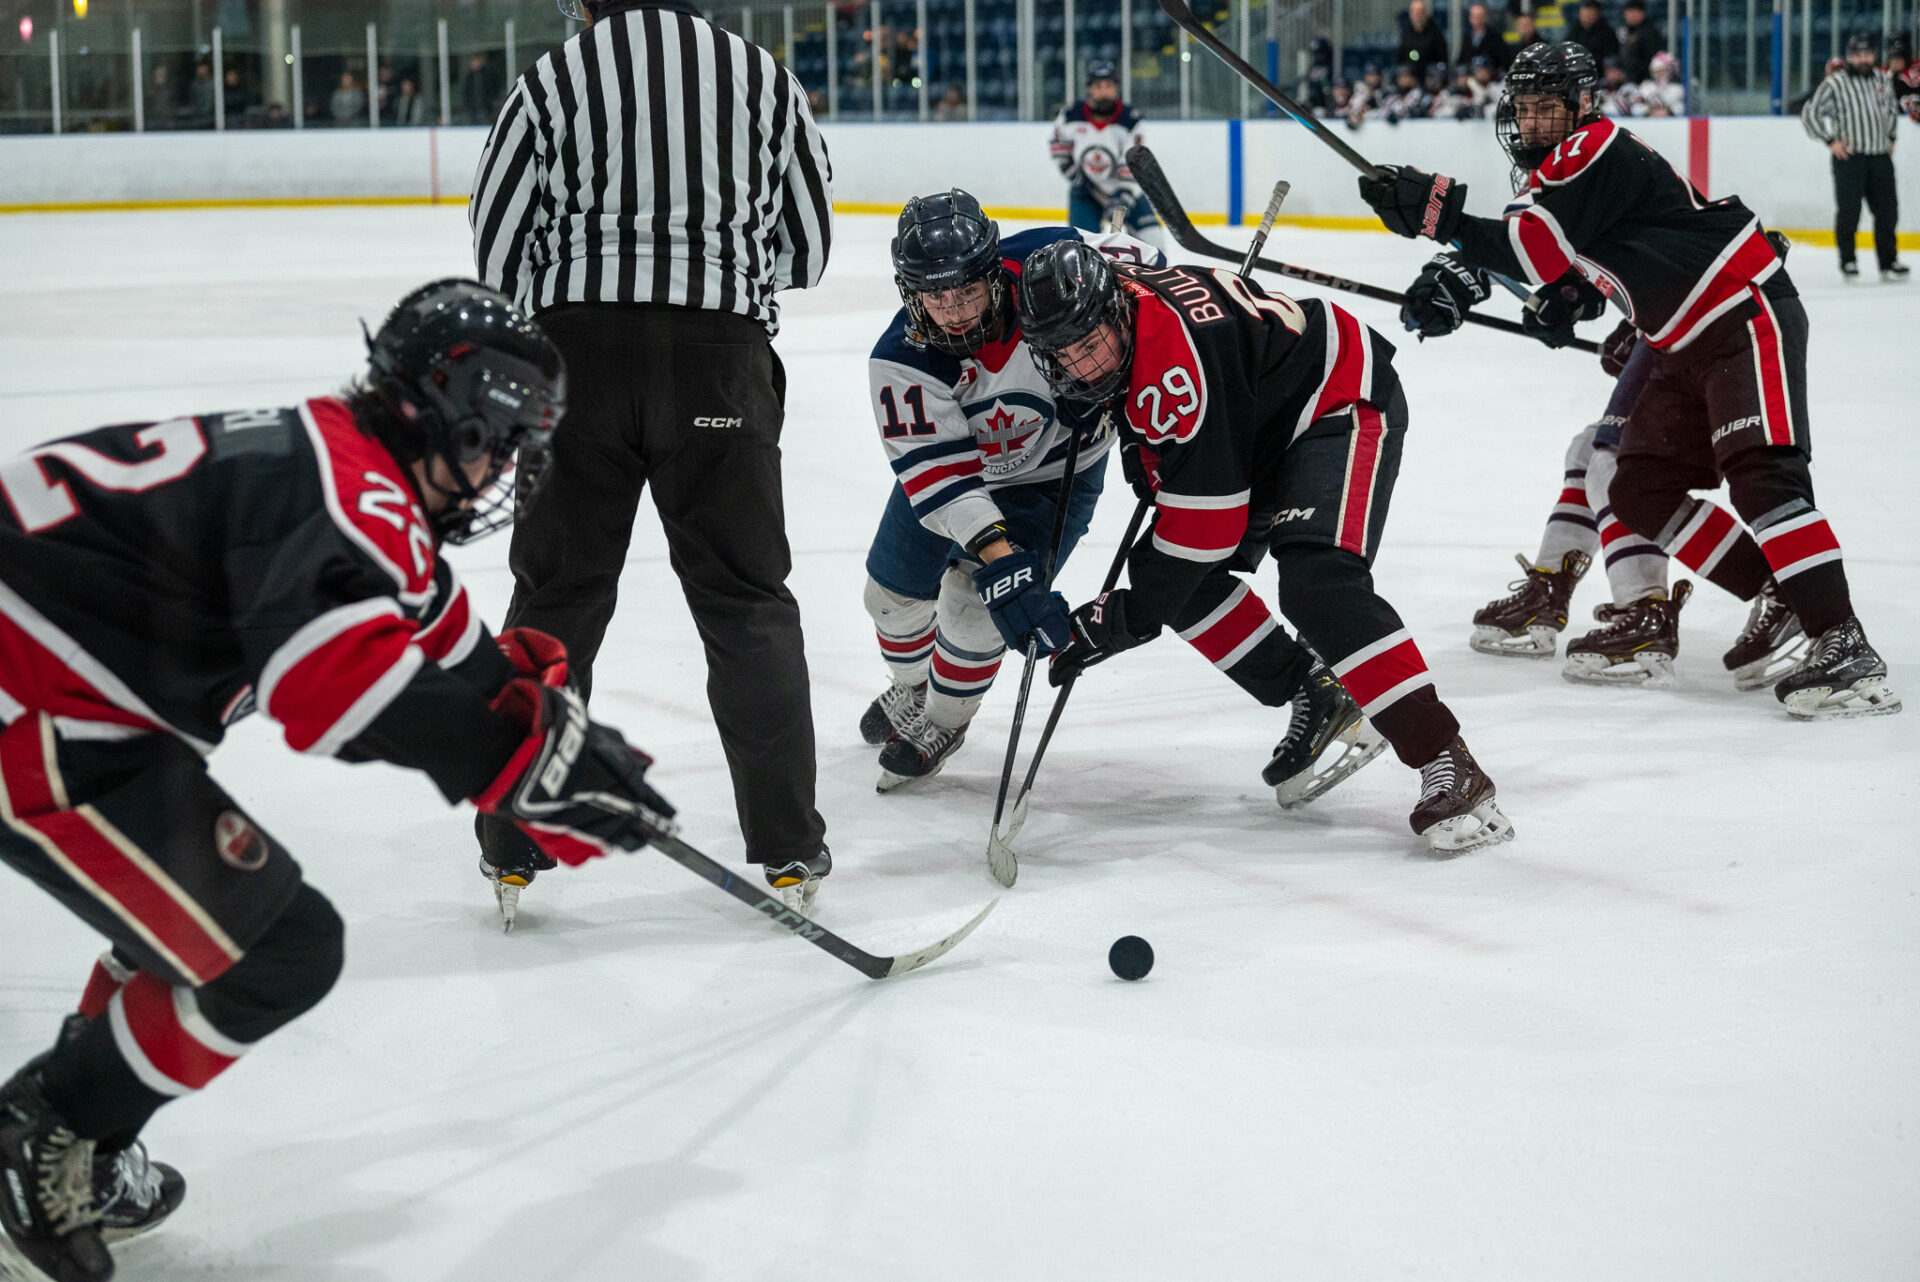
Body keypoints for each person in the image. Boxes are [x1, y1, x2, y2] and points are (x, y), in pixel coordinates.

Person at [0, 282, 677, 1282]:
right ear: (447, 411)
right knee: (278, 949)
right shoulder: (349, 495)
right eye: (497, 442)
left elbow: (455, 653)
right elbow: (332, 686)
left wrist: (550, 729)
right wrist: (511, 764)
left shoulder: (345, 467)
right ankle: (48, 1126)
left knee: (200, 925)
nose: (501, 469)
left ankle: (86, 1131)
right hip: (36, 708)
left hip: (68, 698)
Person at [1359, 41, 1902, 719]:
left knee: (1765, 477)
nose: (1532, 122)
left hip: (1739, 312)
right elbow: (1586, 258)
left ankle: (1843, 642)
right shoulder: (1557, 172)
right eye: (1523, 108)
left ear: (1582, 105)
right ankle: (1786, 595)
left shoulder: (1592, 146)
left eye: (1546, 108)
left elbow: (1532, 250)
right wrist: (1571, 298)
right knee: (1638, 488)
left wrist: (1439, 217)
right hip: (1678, 339)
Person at [470, 0, 835, 914]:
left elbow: (499, 248)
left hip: (577, 361)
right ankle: (789, 846)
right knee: (746, 600)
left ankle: (514, 836)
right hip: (720, 361)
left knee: (555, 599)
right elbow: (807, 249)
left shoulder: (551, 77)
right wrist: (718, 272)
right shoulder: (765, 77)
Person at [860, 193, 1382, 805]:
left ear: (991, 270)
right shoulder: (900, 360)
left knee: (974, 608)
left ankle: (943, 721)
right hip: (958, 478)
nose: (953, 311)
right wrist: (1002, 559)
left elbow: (1148, 276)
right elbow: (940, 480)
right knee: (888, 596)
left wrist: (1182, 345)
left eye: (967, 290)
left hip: (1053, 474)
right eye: (935, 295)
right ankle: (913, 686)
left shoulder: (1048, 265)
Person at [1016, 242, 1515, 853]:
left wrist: (1122, 619)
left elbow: (1207, 528)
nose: (1081, 366)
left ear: (1117, 310)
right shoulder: (1115, 295)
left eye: (1090, 346)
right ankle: (1315, 692)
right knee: (1167, 572)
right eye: (1062, 355)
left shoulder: (1176, 363)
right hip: (1258, 418)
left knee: (1317, 583)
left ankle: (1446, 758)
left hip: (1334, 397)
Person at [1801, 34, 1907, 281]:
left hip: (1880, 157)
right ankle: (1848, 261)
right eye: (1858, 55)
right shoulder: (1836, 83)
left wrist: (1891, 138)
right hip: (1850, 158)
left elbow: (1891, 110)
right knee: (1849, 212)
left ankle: (1888, 262)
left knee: (1888, 212)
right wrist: (1830, 141)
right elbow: (1810, 113)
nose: (1864, 59)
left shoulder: (1882, 78)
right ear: (1849, 57)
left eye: (1868, 54)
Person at [1049, 61, 1168, 250]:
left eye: (1109, 86)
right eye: (1098, 86)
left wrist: (1123, 195)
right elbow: (1058, 146)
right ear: (1089, 89)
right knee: (1080, 247)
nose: (1104, 91)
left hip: (1125, 191)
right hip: (1085, 190)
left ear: (1116, 88)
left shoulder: (1131, 120)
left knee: (1154, 243)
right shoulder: (1071, 115)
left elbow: (1133, 163)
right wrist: (1075, 176)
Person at [1395, 0, 1451, 73]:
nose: (1417, 16)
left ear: (1425, 14)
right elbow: (1400, 59)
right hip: (1410, 74)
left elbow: (1443, 61)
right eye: (1414, 12)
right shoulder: (1406, 33)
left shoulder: (1435, 33)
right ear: (1410, 15)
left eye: (1420, 12)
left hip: (1430, 75)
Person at [1617, 0, 1665, 83]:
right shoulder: (1625, 31)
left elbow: (1650, 59)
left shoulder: (1650, 32)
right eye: (1628, 12)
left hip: (1645, 80)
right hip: (1627, 79)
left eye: (1635, 12)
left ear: (1643, 13)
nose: (1631, 16)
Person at [1457, 3, 1512, 73]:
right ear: (1470, 18)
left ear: (1486, 18)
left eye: (1480, 16)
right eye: (1474, 16)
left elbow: (1504, 61)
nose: (1477, 20)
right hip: (1470, 75)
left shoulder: (1495, 37)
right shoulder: (1467, 37)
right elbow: (1461, 61)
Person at [1636, 49, 1684, 114]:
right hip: (1649, 117)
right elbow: (1637, 108)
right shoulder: (1646, 86)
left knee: (1678, 107)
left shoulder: (1678, 88)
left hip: (1671, 118)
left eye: (1663, 70)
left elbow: (1677, 107)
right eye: (1656, 71)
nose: (1659, 74)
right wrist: (1649, 109)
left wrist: (1667, 111)